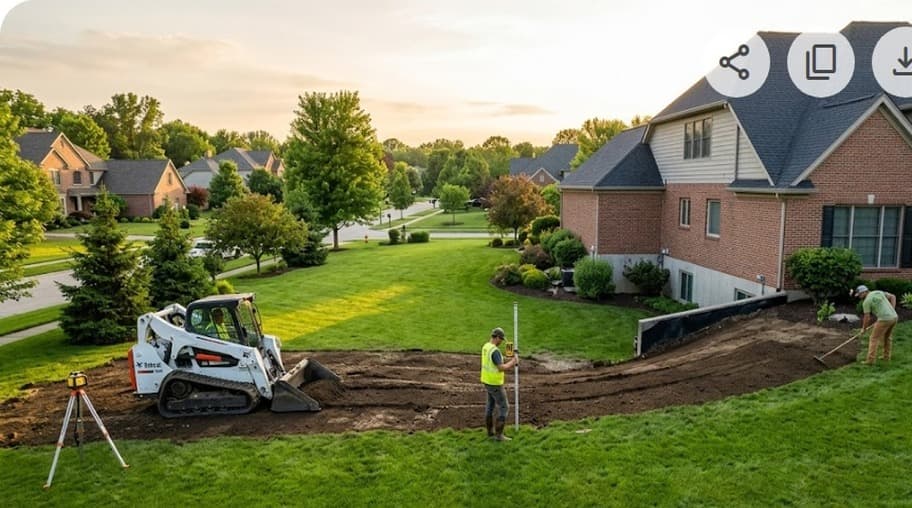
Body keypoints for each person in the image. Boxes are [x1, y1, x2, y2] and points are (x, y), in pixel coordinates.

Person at [481, 327, 519, 441]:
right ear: (497, 337)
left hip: (487, 381)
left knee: (490, 406)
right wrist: (513, 362)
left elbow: (494, 361)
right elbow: (501, 367)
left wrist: (508, 356)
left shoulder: (486, 346)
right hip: (495, 383)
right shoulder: (495, 351)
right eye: (501, 339)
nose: (502, 342)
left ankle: (490, 432)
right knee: (504, 407)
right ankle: (499, 435)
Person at [854, 285, 898, 365]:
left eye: (860, 294)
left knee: (873, 338)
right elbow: (893, 297)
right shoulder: (878, 292)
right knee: (887, 337)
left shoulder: (866, 301)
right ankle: (886, 356)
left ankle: (870, 361)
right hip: (894, 317)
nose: (859, 297)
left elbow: (867, 317)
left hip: (884, 319)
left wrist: (864, 329)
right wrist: (892, 309)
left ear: (864, 292)